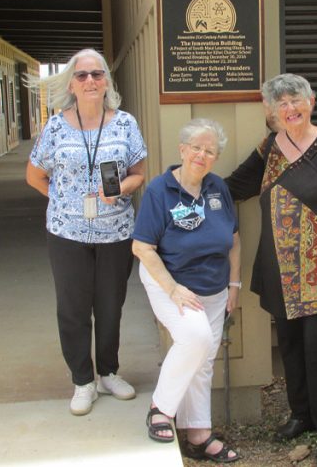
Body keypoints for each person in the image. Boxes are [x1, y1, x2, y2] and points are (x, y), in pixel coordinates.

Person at [225, 73, 317, 465]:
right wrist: (185, 184)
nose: (290, 109)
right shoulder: (270, 147)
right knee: (289, 345)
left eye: (296, 100)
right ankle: (301, 414)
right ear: (273, 110)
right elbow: (235, 185)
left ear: (311, 102)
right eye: (282, 103)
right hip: (279, 265)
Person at [25, 48, 147, 416]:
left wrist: (120, 189)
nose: (90, 81)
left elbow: (139, 173)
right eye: (82, 75)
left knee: (110, 306)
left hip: (115, 232)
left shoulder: (125, 124)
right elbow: (35, 176)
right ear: (71, 85)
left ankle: (108, 372)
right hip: (67, 234)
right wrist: (63, 203)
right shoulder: (55, 127)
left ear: (106, 81)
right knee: (73, 308)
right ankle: (83, 380)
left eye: (97, 74)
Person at [132, 119, 241, 463]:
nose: (202, 155)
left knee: (203, 360)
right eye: (196, 148)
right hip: (168, 280)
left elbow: (234, 240)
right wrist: (173, 289)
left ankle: (198, 434)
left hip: (214, 286)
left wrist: (234, 284)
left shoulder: (217, 188)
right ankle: (161, 408)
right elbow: (142, 247)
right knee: (196, 338)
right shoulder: (159, 191)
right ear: (182, 149)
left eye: (210, 151)